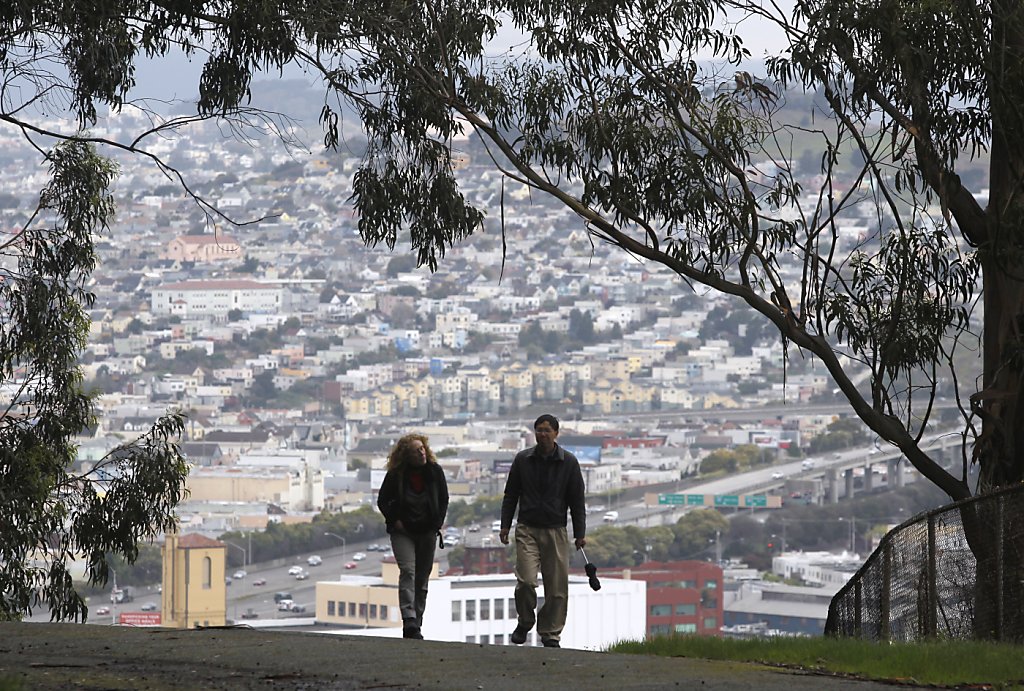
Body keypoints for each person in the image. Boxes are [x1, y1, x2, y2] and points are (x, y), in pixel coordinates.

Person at [499, 414, 586, 648]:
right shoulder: (523, 460)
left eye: (547, 430)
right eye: (538, 430)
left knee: (557, 588)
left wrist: (580, 533)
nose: (542, 434)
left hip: (556, 530)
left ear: (556, 433)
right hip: (527, 527)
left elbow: (577, 500)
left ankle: (550, 632)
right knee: (526, 581)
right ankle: (525, 620)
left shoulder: (568, 462)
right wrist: (505, 525)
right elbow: (511, 494)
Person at [377, 433, 449, 639]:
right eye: (416, 451)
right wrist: (394, 520)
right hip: (403, 531)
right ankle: (409, 619)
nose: (421, 453)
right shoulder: (396, 475)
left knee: (422, 578)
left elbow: (444, 498)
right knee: (408, 571)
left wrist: (437, 523)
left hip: (427, 531)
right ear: (406, 455)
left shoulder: (435, 472)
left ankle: (417, 621)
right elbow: (383, 500)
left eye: (422, 448)